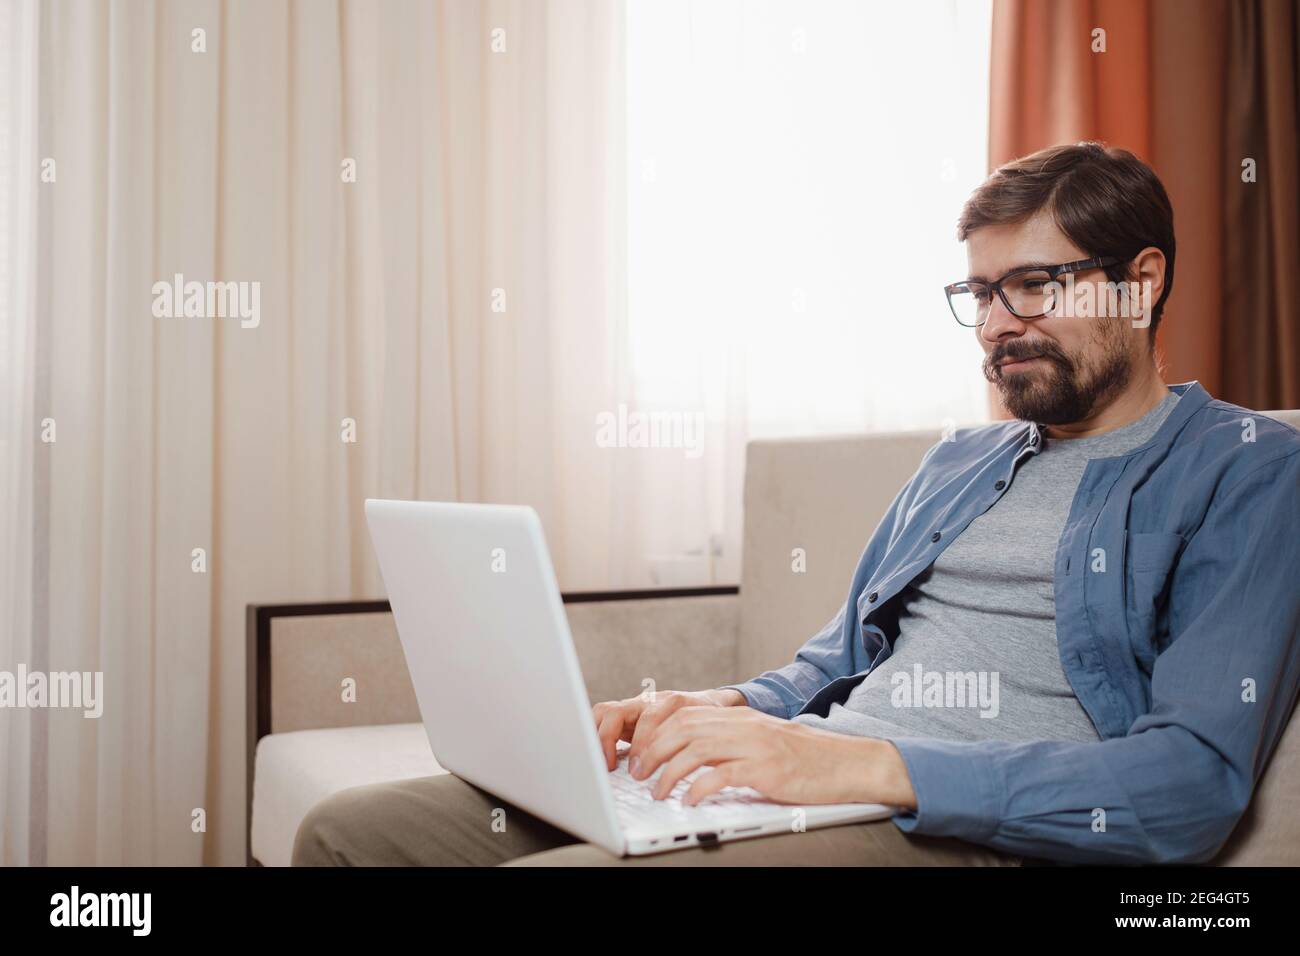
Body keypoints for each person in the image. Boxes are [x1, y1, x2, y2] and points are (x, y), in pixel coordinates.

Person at [293, 143, 1300, 867]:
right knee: (349, 832)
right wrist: (711, 710)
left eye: (1033, 285)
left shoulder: (1249, 471)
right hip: (816, 786)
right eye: (980, 294)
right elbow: (832, 661)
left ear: (1139, 283)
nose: (996, 324)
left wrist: (868, 769)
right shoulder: (961, 460)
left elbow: (1191, 780)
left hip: (958, 826)